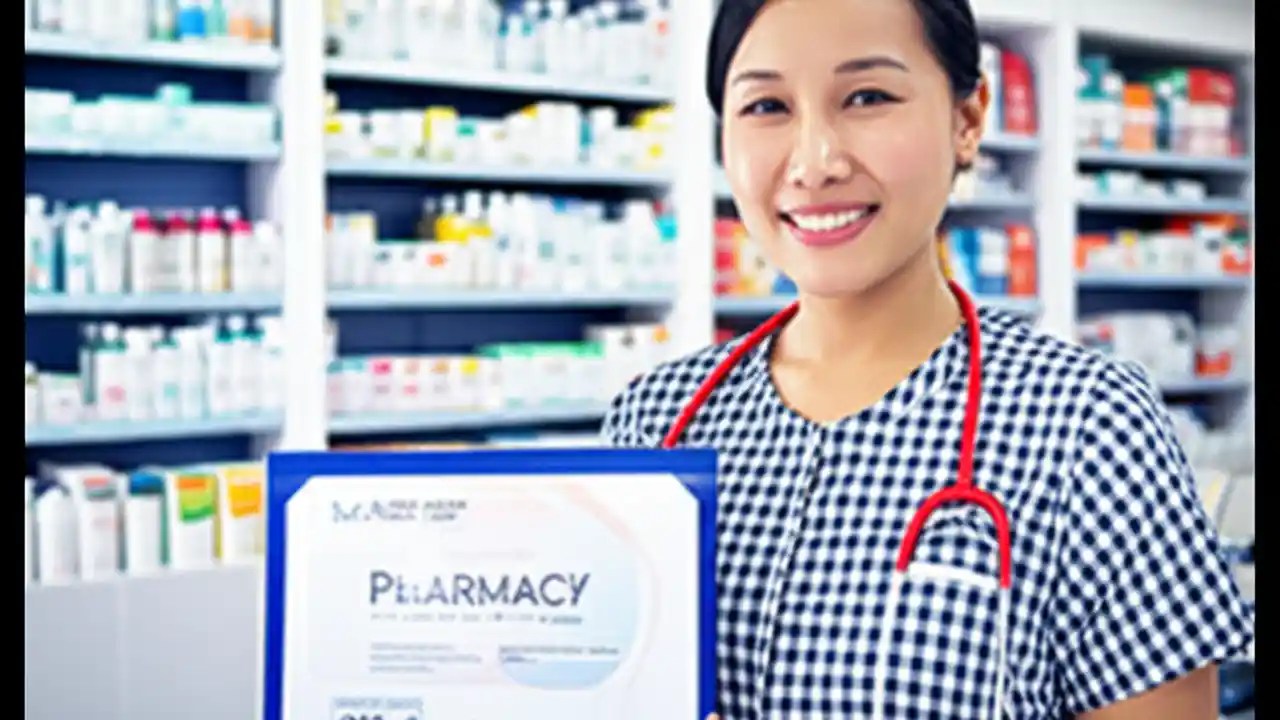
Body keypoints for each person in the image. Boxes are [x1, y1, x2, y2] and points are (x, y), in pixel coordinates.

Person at [601, 0, 1254, 717]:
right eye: (766, 106)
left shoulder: (1088, 423)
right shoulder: (654, 423)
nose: (816, 162)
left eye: (868, 97)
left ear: (967, 119)